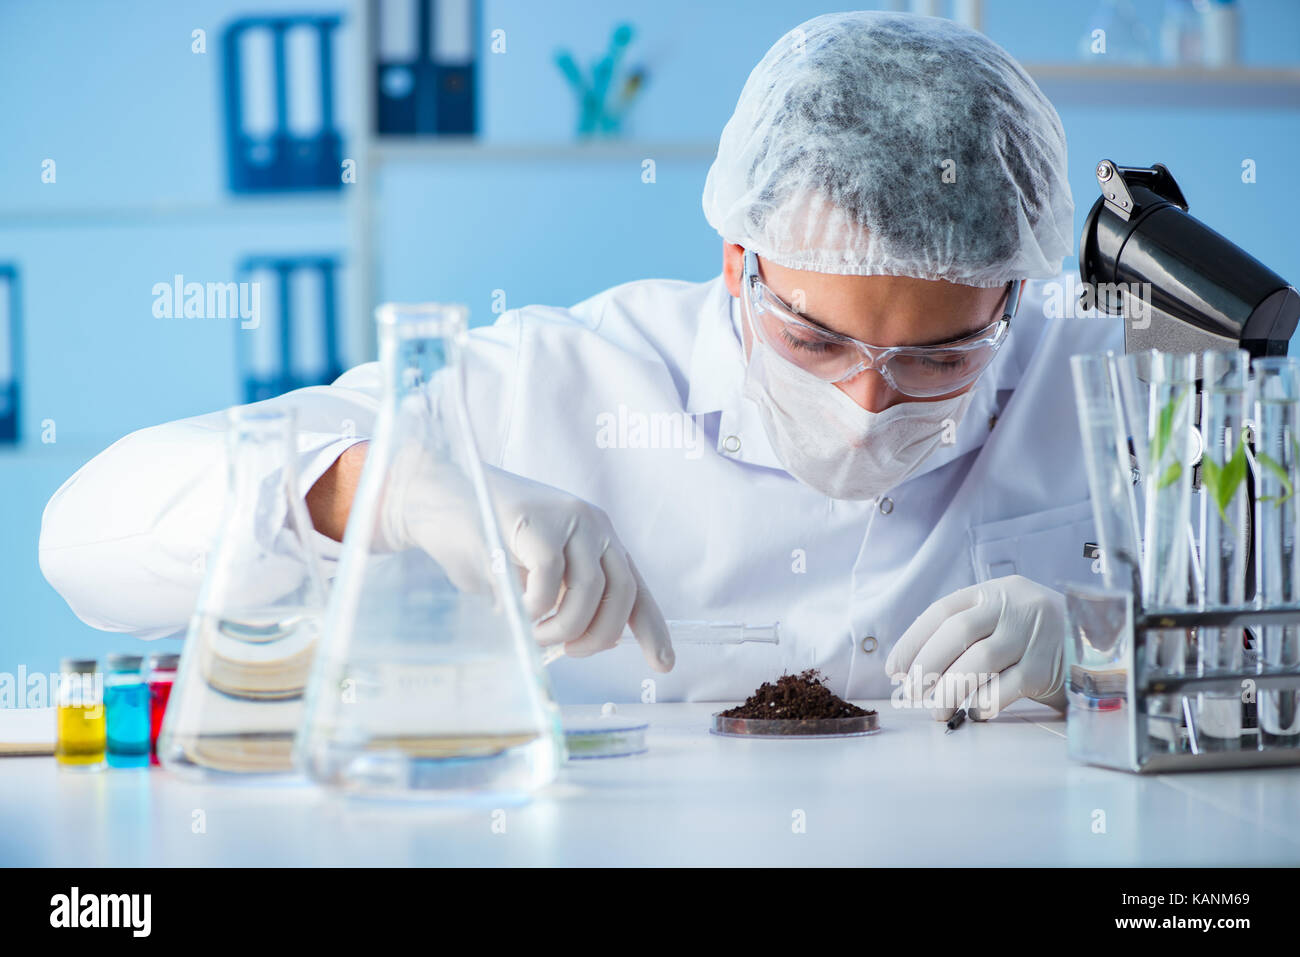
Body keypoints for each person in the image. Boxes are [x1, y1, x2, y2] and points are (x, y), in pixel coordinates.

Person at [39, 11, 1120, 717]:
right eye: (813, 338)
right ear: (737, 261)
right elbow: (84, 541)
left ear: (1012, 298)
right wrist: (392, 487)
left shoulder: (1118, 383)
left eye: (938, 357)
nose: (863, 404)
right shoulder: (559, 386)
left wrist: (1111, 647)